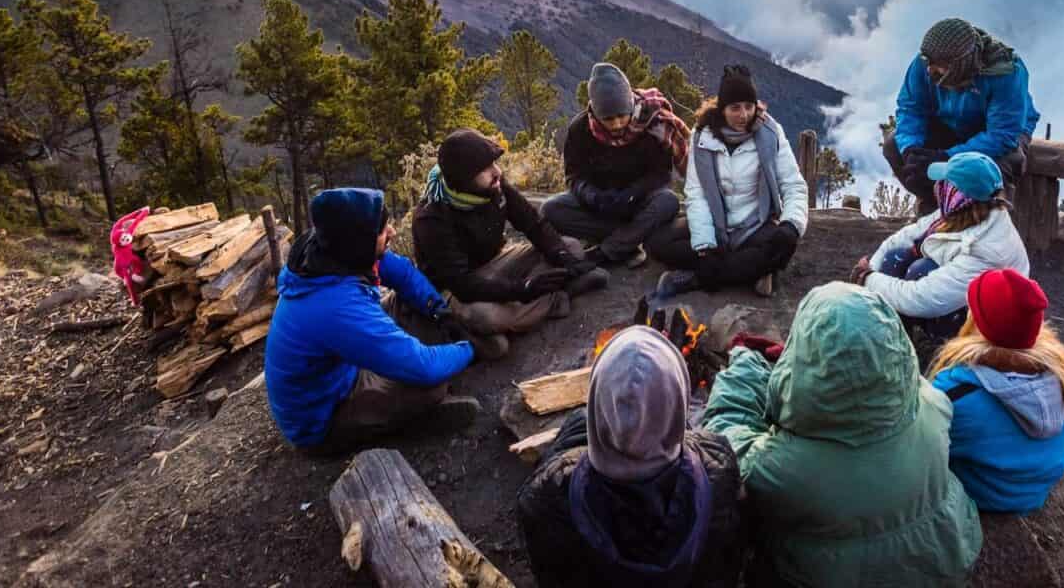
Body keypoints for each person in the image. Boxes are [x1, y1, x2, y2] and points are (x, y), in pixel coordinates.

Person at [700, 282, 982, 588]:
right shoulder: (934, 405)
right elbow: (871, 375)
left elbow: (725, 442)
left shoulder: (783, 469)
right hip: (944, 558)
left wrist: (744, 368)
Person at [515, 325, 744, 588]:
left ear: (596, 396)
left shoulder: (545, 501)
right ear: (679, 400)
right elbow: (728, 569)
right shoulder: (719, 470)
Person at [265, 187, 479, 453]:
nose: (392, 232)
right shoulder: (335, 307)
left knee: (413, 304)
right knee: (431, 386)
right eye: (382, 230)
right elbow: (424, 367)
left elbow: (401, 273)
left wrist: (439, 311)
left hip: (338, 367)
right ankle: (409, 423)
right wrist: (468, 349)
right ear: (360, 241)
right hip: (321, 418)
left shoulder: (333, 251)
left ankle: (400, 376)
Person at [414, 129, 608, 360]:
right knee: (485, 317)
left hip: (496, 262)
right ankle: (554, 299)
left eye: (494, 163)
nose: (497, 171)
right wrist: (523, 289)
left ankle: (520, 314)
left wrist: (563, 258)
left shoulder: (493, 186)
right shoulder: (432, 218)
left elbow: (533, 223)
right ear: (464, 179)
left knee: (570, 247)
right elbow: (463, 285)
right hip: (456, 290)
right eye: (485, 168)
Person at [927, 269, 1064, 513]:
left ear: (979, 323)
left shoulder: (956, 389)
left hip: (983, 493)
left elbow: (925, 444)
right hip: (1034, 490)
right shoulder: (1058, 375)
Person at [652, 65, 808, 299]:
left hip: (755, 226)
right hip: (716, 225)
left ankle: (698, 278)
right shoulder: (702, 136)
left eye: (749, 106)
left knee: (783, 244)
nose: (743, 115)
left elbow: (793, 184)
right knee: (658, 242)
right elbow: (697, 193)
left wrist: (791, 225)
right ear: (722, 108)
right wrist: (705, 246)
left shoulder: (771, 133)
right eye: (735, 108)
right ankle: (752, 272)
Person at [852, 152, 1029, 337]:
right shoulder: (970, 209)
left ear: (955, 194)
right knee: (895, 257)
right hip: (960, 297)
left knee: (921, 270)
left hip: (993, 328)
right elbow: (909, 234)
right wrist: (872, 267)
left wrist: (868, 279)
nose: (937, 186)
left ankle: (939, 346)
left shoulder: (985, 250)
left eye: (943, 182)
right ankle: (895, 332)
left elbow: (923, 299)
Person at [885, 17, 1041, 213]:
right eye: (929, 62)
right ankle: (937, 207)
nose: (930, 70)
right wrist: (911, 150)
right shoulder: (924, 62)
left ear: (959, 63)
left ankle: (986, 218)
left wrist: (945, 157)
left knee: (997, 167)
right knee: (893, 146)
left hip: (1002, 135)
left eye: (938, 65)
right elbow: (910, 108)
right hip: (952, 125)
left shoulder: (1007, 72)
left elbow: (1002, 136)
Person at [540, 62, 690, 266]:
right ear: (596, 114)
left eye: (621, 116)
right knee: (550, 210)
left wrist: (633, 193)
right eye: (608, 119)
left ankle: (605, 251)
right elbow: (573, 176)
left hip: (639, 201)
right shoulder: (580, 129)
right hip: (599, 204)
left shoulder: (652, 125)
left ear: (630, 107)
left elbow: (661, 174)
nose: (617, 124)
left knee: (668, 201)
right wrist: (591, 195)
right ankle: (628, 240)